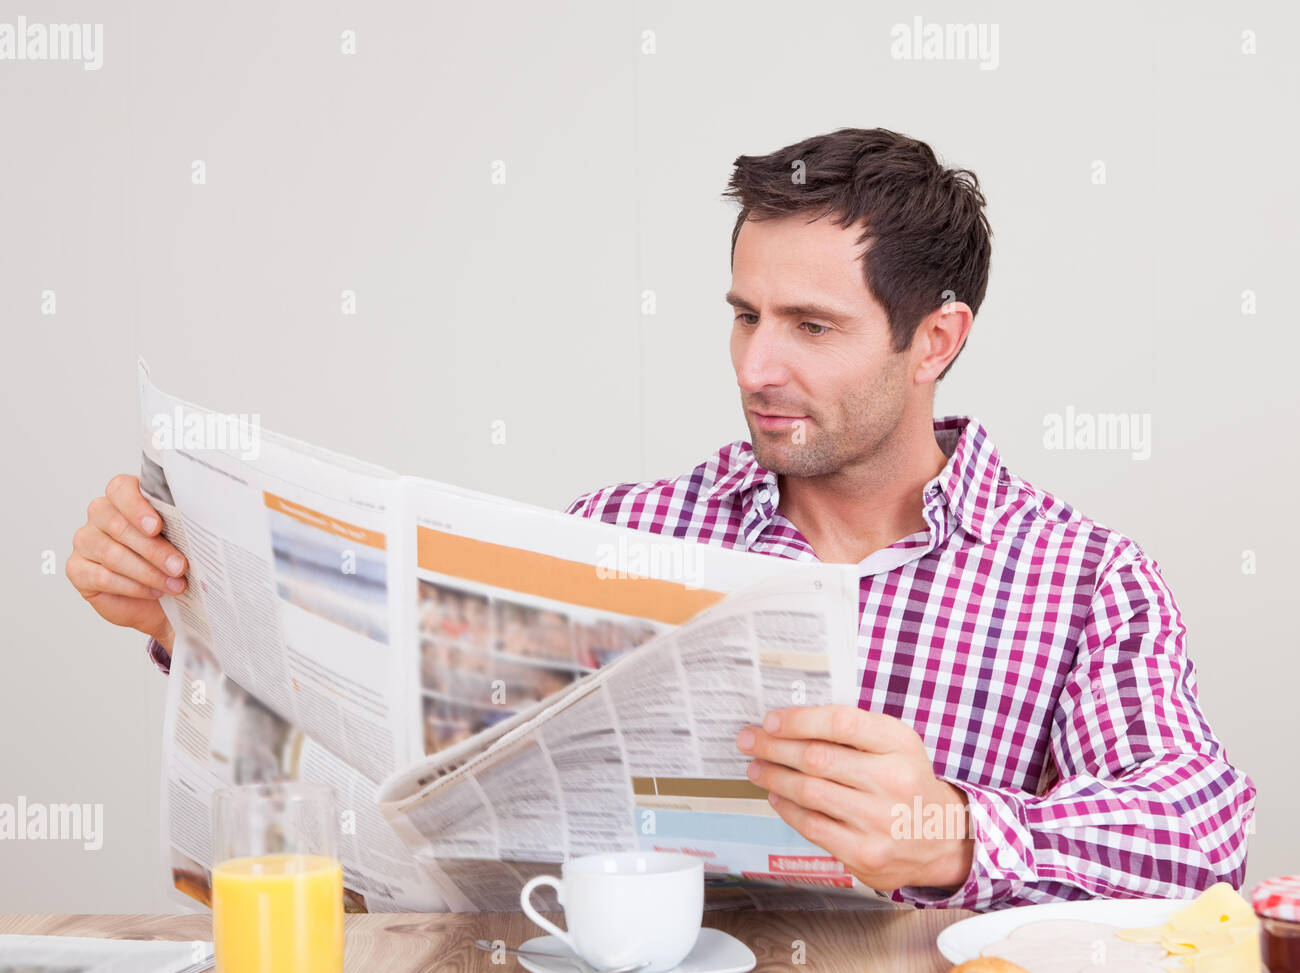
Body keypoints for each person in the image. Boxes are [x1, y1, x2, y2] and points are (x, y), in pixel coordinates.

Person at [66, 127, 1254, 910]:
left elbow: (1200, 837)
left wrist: (951, 833)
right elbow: (399, 766)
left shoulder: (1083, 574)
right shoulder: (622, 531)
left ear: (934, 339)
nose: (757, 366)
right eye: (743, 315)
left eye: (811, 325)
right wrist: (191, 610)